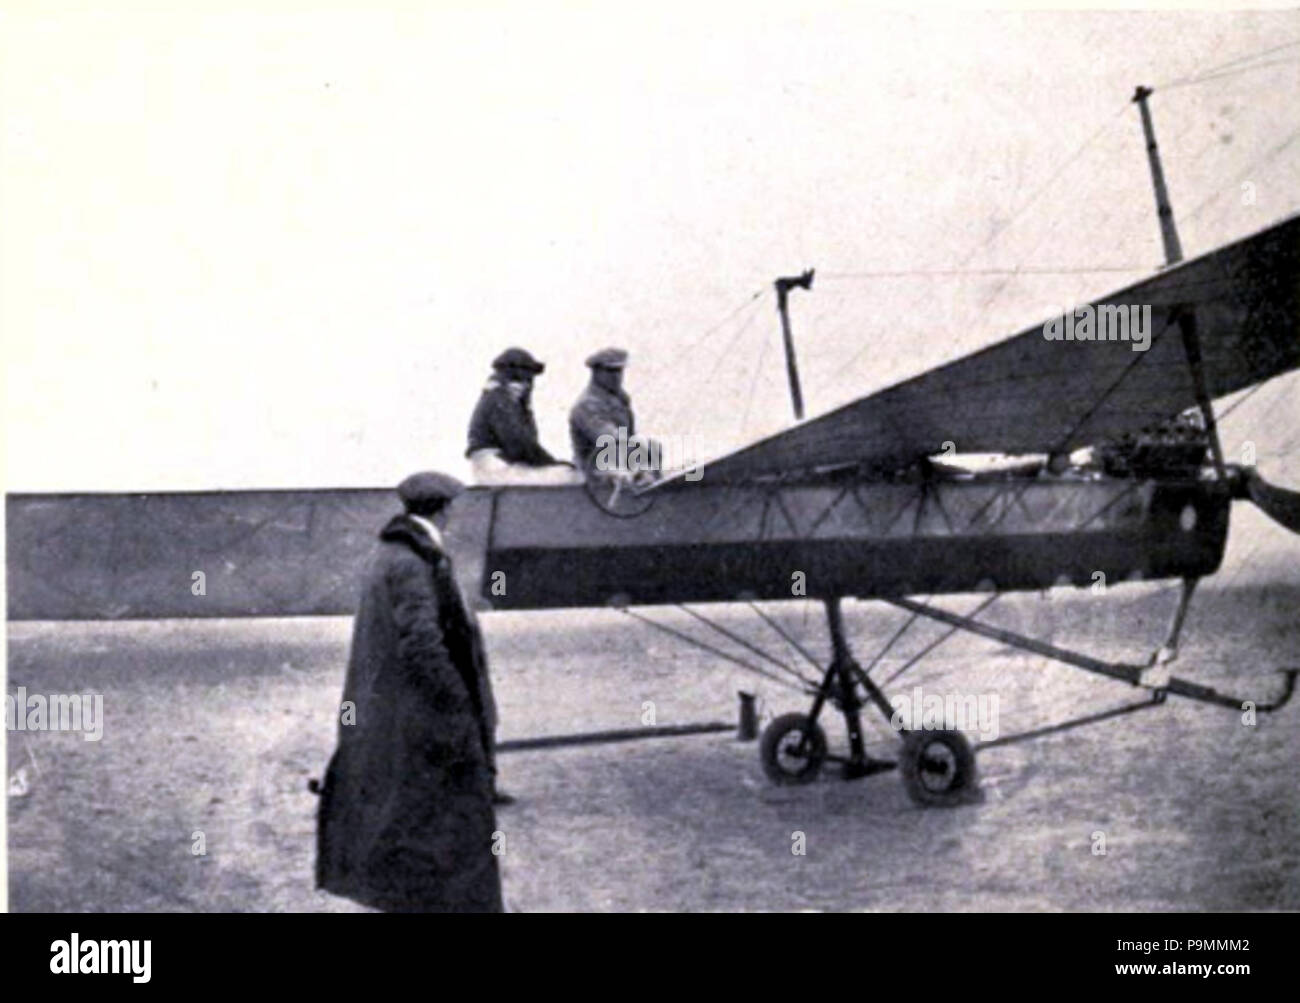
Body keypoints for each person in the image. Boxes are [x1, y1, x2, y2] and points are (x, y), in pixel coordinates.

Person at [315, 471, 506, 913]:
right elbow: (421, 643)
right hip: (422, 718)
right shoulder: (412, 560)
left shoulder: (394, 553)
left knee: (410, 821)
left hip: (399, 714)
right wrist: (457, 705)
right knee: (445, 824)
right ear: (443, 509)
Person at [466, 347, 583, 485]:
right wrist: (549, 463)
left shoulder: (505, 399)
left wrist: (549, 463)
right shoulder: (501, 400)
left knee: (566, 473)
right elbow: (519, 444)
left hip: (500, 465)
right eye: (527, 375)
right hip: (497, 467)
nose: (529, 383)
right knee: (571, 477)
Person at [568, 347, 658, 481]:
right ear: (596, 373)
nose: (616, 377)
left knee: (652, 449)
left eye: (619, 371)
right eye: (610, 371)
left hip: (619, 463)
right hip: (595, 473)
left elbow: (628, 435)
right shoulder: (587, 405)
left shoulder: (619, 398)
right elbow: (608, 437)